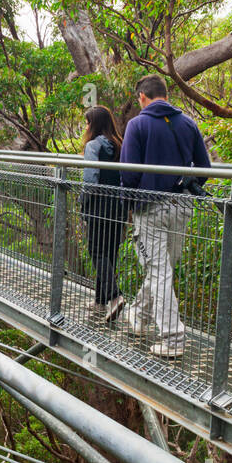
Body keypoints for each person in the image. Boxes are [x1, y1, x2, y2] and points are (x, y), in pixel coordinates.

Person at [119, 76, 211, 358]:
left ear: (142, 97)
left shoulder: (137, 124)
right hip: (181, 206)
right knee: (163, 269)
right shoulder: (187, 123)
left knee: (159, 271)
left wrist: (131, 202)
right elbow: (204, 168)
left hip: (150, 208)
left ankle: (173, 339)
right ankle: (138, 314)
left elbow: (128, 173)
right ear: (166, 96)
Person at [80, 105, 128, 322]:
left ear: (94, 124)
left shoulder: (92, 146)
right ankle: (100, 301)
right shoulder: (120, 145)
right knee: (109, 252)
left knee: (96, 251)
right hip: (118, 207)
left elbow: (90, 180)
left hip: (98, 206)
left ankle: (114, 296)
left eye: (88, 122)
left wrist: (83, 203)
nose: (86, 126)